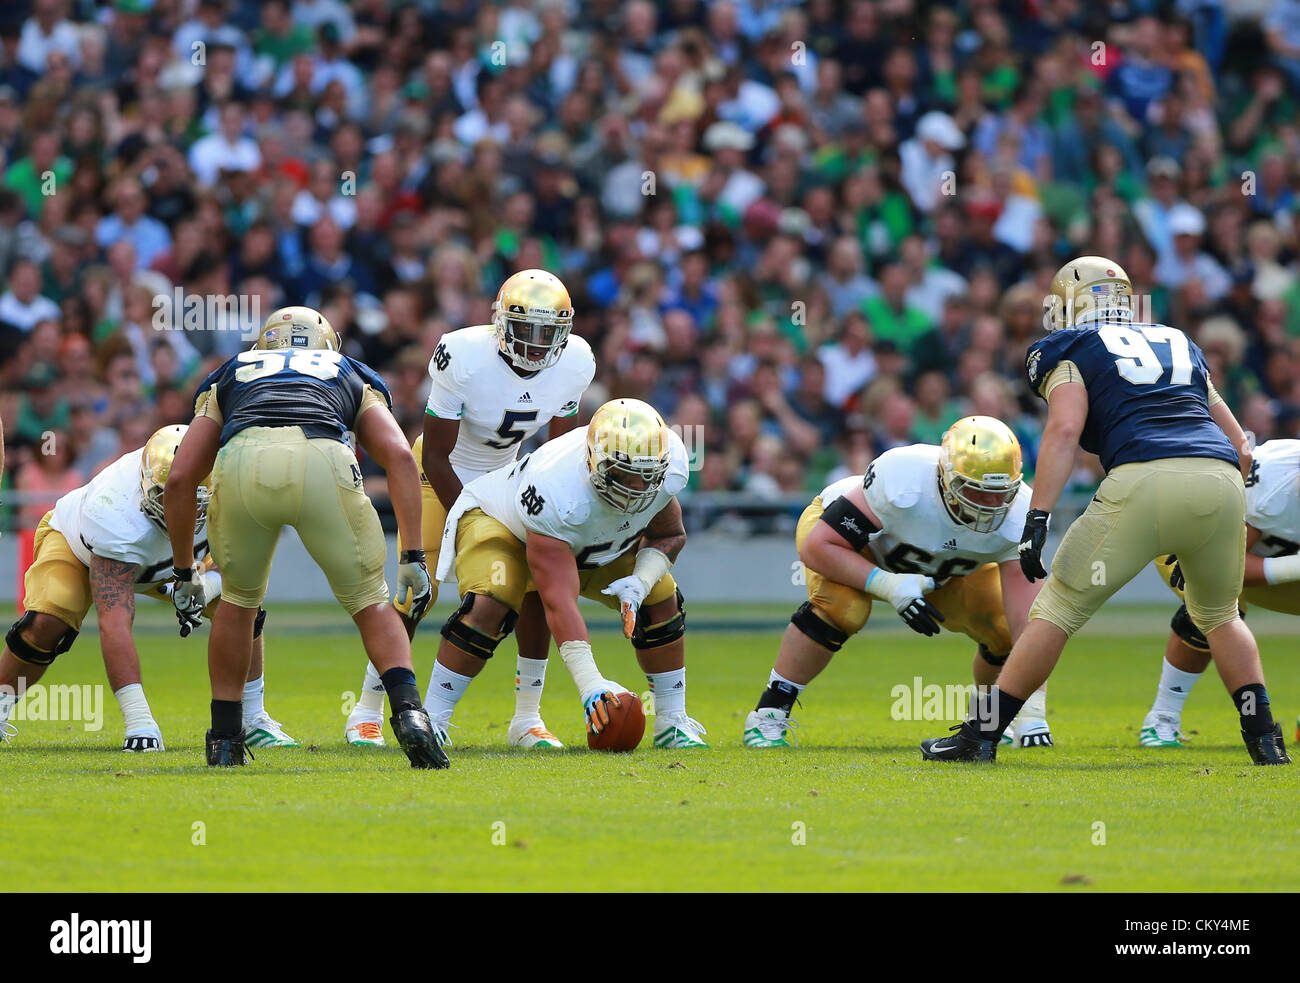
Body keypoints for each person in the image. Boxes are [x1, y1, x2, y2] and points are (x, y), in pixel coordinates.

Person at [921, 257, 1289, 765]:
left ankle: (980, 737)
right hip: (1222, 480)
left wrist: (1038, 516)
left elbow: (1066, 429)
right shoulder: (1176, 340)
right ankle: (1265, 741)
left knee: (1055, 609)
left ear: (1071, 303)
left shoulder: (1067, 347)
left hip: (1143, 475)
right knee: (1220, 614)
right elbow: (1241, 447)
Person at [163, 306, 446, 768]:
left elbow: (179, 479)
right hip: (324, 458)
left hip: (241, 461)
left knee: (236, 602)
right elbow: (398, 456)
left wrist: (184, 571)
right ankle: (410, 715)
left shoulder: (231, 372)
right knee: (371, 602)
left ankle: (225, 738)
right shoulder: (347, 369)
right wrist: (412, 552)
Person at [344, 269, 594, 749]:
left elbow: (554, 455)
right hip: (439, 475)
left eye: (550, 332)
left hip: (507, 476)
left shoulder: (576, 361)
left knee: (538, 586)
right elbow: (437, 454)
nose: (539, 344)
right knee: (420, 589)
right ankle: (367, 709)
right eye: (527, 329)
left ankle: (527, 718)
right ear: (501, 323)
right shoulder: (464, 354)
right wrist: (472, 517)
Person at [743, 417, 1050, 749]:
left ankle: (989, 720)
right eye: (976, 489)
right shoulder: (904, 478)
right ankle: (768, 713)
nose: (990, 505)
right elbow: (819, 546)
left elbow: (1029, 622)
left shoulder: (1021, 514)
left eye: (1000, 493)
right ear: (945, 478)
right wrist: (889, 585)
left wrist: (1033, 709)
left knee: (1001, 627)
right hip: (852, 546)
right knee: (845, 609)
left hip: (940, 570)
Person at [428, 397, 706, 748]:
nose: (636, 489)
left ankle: (672, 722)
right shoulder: (556, 488)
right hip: (499, 520)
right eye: (623, 475)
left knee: (661, 598)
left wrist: (640, 582)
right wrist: (591, 685)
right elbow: (559, 601)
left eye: (645, 476)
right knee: (492, 602)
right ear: (594, 461)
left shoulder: (672, 463)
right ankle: (433, 718)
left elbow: (669, 534)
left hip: (590, 539)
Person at [0, 425, 287, 749]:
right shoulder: (112, 510)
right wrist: (140, 722)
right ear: (145, 482)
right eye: (168, 498)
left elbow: (242, 565)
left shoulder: (232, 485)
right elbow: (115, 625)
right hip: (81, 550)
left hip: (174, 563)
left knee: (240, 606)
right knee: (51, 619)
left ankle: (251, 718)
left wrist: (202, 588)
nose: (181, 510)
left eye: (193, 500)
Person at [1140, 437, 1300, 746]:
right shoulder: (1273, 486)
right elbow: (1225, 563)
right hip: (1191, 545)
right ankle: (1162, 718)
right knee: (1217, 598)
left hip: (1266, 558)